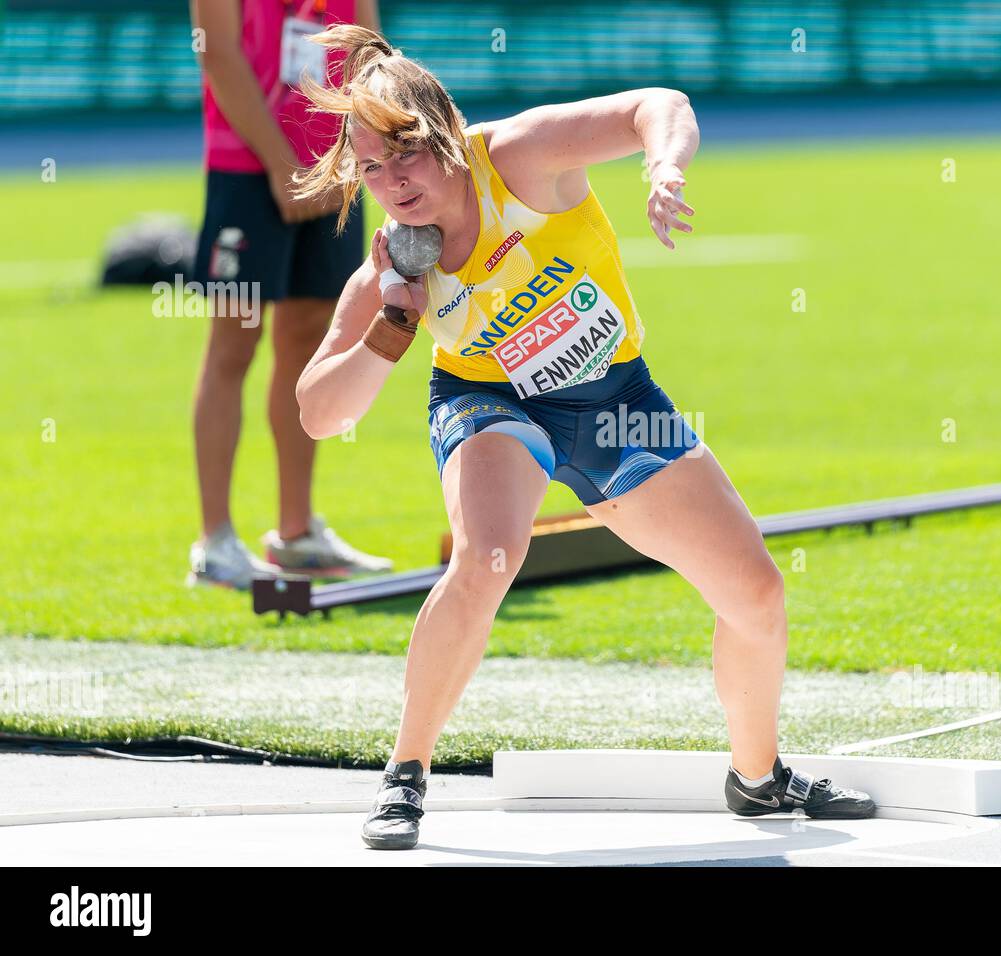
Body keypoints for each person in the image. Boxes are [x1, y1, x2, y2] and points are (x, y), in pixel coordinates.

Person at [292, 25, 877, 850]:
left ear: (444, 133)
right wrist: (393, 323)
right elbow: (321, 411)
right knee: (488, 558)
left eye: (406, 158)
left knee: (757, 595)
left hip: (613, 400)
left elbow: (656, 103)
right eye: (373, 171)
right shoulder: (397, 260)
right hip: (489, 402)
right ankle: (405, 777)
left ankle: (757, 779)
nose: (393, 186)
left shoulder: (522, 157)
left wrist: (663, 165)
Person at [187, 0, 391, 589]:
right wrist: (282, 166)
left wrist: (370, 151)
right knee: (234, 344)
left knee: (311, 339)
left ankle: (295, 534)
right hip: (247, 167)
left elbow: (369, 48)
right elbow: (218, 53)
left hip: (336, 165)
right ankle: (215, 542)